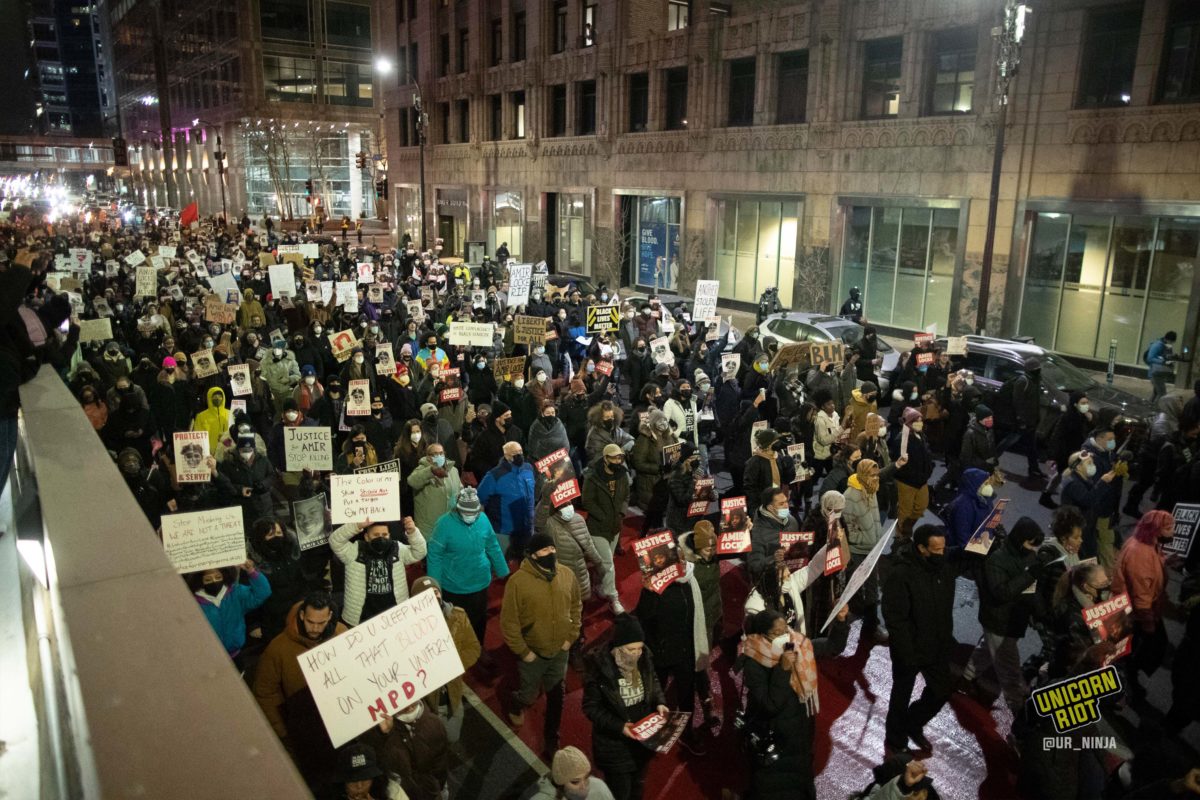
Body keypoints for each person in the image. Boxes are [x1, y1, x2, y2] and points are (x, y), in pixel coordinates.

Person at [736, 605, 850, 800]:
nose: (785, 636)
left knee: (799, 782)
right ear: (762, 635)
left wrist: (840, 622)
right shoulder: (753, 661)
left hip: (800, 733)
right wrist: (783, 670)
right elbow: (770, 705)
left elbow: (833, 647)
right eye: (777, 633)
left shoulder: (798, 645)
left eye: (786, 630)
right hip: (774, 737)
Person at [501, 532, 582, 757]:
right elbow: (509, 623)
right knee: (529, 694)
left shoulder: (566, 575)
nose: (551, 553)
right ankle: (517, 702)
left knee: (557, 696)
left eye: (553, 549)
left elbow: (576, 605)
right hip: (533, 654)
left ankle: (551, 737)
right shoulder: (517, 582)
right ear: (533, 554)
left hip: (560, 652)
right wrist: (523, 652)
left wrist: (571, 636)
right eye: (545, 550)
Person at [961, 517, 1050, 716]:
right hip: (999, 620)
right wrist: (1031, 574)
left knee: (988, 648)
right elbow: (1002, 593)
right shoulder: (997, 561)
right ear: (1020, 540)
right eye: (1030, 544)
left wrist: (1040, 612)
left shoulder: (1027, 556)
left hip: (1014, 618)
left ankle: (967, 677)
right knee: (1009, 667)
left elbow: (1031, 590)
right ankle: (1018, 708)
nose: (1033, 550)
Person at [253, 592, 347, 781]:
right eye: (311, 621)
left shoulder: (341, 634)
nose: (315, 628)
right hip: (304, 729)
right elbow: (265, 692)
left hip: (340, 720)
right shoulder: (278, 648)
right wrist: (283, 731)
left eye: (321, 623)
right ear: (302, 615)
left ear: (329, 617)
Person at [881, 525, 956, 753]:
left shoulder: (943, 568)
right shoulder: (901, 574)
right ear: (922, 548)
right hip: (910, 650)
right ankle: (895, 740)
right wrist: (907, 653)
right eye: (936, 549)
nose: (941, 553)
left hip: (937, 645)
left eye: (943, 548)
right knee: (900, 696)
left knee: (941, 690)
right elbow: (895, 618)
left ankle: (912, 723)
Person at [582, 614, 669, 800]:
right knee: (621, 794)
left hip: (641, 744)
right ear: (618, 647)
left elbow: (652, 680)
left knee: (638, 789)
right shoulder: (600, 668)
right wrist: (620, 727)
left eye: (639, 648)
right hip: (614, 749)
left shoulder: (644, 657)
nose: (637, 653)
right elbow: (591, 707)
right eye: (631, 649)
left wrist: (660, 701)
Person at [634, 556, 711, 753]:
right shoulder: (655, 585)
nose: (682, 563)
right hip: (660, 652)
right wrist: (647, 592)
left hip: (685, 650)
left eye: (684, 558)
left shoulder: (690, 579)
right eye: (677, 559)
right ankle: (652, 731)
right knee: (655, 696)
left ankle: (686, 733)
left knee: (686, 696)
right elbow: (643, 616)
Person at [427, 487, 509, 669]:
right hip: (453, 585)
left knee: (479, 619)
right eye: (467, 513)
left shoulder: (483, 519)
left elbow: (492, 544)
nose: (471, 517)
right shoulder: (444, 523)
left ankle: (477, 649)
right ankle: (453, 652)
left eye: (475, 513)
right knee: (454, 621)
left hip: (479, 582)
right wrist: (434, 584)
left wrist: (502, 570)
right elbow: (435, 554)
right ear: (458, 509)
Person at [409, 575, 480, 742]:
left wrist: (451, 666)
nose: (434, 597)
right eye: (425, 595)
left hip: (453, 694)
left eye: (435, 592)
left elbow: (473, 648)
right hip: (426, 701)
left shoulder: (458, 617)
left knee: (453, 737)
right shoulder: (408, 629)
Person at [1112, 510, 1175, 696]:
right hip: (1137, 614)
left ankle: (1127, 676)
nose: (1173, 532)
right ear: (1157, 530)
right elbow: (1142, 596)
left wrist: (1166, 561)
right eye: (1169, 528)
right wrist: (1149, 625)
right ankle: (1127, 682)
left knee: (1135, 649)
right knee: (1143, 649)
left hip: (1141, 612)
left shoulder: (1145, 543)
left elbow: (1151, 566)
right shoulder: (1140, 554)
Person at [329, 516, 427, 626]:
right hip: (360, 618)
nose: (381, 538)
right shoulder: (354, 551)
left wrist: (413, 532)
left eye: (384, 535)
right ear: (366, 537)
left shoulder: (397, 549)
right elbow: (335, 541)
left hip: (394, 615)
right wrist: (356, 525)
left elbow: (420, 552)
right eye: (375, 535)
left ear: (389, 535)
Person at [361, 698, 450, 800]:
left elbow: (440, 763)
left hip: (431, 792)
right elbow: (377, 763)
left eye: (412, 701)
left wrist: (437, 787)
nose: (409, 707)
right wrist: (384, 735)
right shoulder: (378, 730)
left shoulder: (434, 723)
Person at [187, 559, 271, 662]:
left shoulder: (235, 593)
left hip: (236, 654)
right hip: (207, 658)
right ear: (200, 580)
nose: (214, 582)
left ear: (224, 575)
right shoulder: (192, 602)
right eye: (208, 580)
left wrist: (251, 572)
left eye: (218, 577)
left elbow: (262, 593)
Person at [844, 458, 888, 643]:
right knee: (854, 586)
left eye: (877, 475)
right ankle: (852, 620)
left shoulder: (871, 489)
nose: (876, 478)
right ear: (862, 475)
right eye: (872, 475)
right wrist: (864, 540)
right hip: (858, 550)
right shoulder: (850, 496)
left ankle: (871, 623)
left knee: (871, 588)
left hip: (872, 548)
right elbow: (849, 528)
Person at [582, 444, 631, 607]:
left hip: (615, 527)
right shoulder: (592, 477)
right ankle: (613, 597)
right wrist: (603, 517)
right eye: (615, 457)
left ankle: (599, 586)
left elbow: (626, 496)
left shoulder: (623, 475)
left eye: (620, 458)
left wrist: (621, 513)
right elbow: (587, 501)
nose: (618, 461)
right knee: (608, 563)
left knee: (603, 562)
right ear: (605, 458)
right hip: (598, 528)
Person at [478, 440, 538, 558]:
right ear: (506, 456)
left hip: (527, 529)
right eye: (514, 453)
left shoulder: (529, 469)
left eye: (520, 451)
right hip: (504, 532)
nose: (519, 455)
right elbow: (480, 498)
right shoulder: (494, 475)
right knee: (503, 569)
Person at [994, 356, 1044, 479]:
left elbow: (1035, 401)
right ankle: (991, 459)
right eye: (1036, 369)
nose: (1038, 371)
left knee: (1032, 447)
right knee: (1009, 441)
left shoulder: (1035, 380)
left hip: (1031, 420)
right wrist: (1021, 420)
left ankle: (1034, 469)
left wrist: (1036, 417)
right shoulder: (1023, 381)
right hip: (1021, 421)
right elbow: (1018, 402)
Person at [407, 442, 463, 544]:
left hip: (450, 524)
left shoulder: (453, 470)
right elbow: (412, 481)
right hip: (429, 529)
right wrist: (431, 471)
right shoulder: (421, 470)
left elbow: (459, 490)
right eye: (435, 454)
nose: (439, 456)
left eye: (441, 453)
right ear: (428, 457)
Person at [894, 407, 933, 542]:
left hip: (922, 480)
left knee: (921, 506)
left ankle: (907, 528)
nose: (920, 423)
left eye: (921, 420)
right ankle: (900, 536)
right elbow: (899, 462)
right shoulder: (902, 438)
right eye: (916, 421)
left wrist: (928, 470)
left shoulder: (921, 435)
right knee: (905, 511)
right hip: (907, 481)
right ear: (910, 422)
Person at [748, 485, 801, 582]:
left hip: (793, 576)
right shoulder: (758, 533)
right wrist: (774, 559)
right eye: (781, 504)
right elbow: (754, 565)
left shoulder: (792, 521)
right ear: (770, 508)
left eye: (786, 501)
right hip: (772, 583)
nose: (786, 506)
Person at [524, 746, 617, 800]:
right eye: (575, 782)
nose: (584, 786)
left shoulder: (599, 787)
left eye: (586, 777)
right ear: (560, 783)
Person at [1146, 330, 1179, 403]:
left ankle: (1149, 406)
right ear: (1167, 339)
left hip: (1160, 373)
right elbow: (1150, 358)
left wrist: (1172, 357)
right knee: (1162, 394)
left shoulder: (1167, 346)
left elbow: (1165, 356)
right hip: (1155, 373)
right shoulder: (1157, 345)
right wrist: (1163, 362)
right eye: (1171, 341)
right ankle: (1156, 409)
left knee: (1156, 392)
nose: (1171, 343)